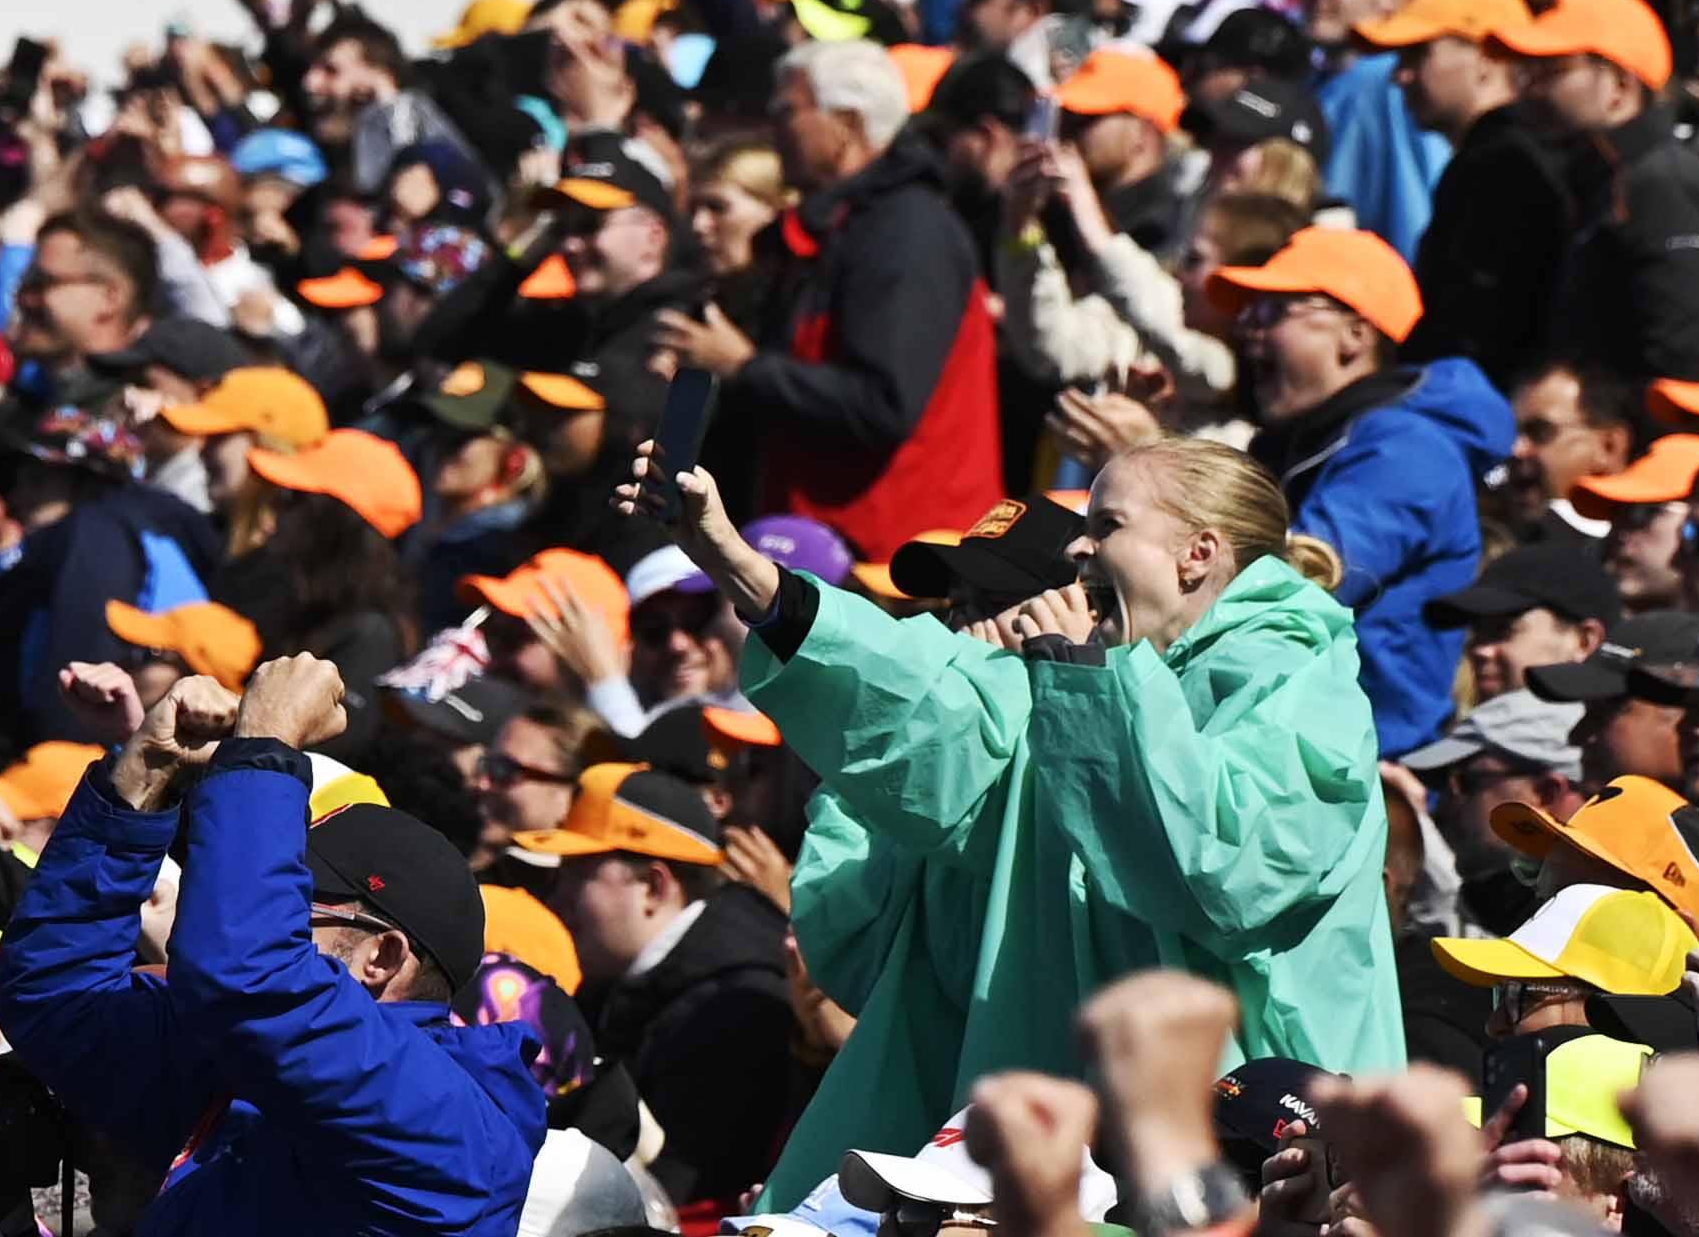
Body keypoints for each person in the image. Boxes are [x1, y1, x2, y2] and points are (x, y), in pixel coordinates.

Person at [634, 437, 1395, 1198]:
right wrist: (749, 573)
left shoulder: (1300, 678)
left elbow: (1218, 872)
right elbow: (925, 710)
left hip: (1256, 1161)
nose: (1078, 546)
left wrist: (1083, 681)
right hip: (1069, 1147)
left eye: (1107, 525)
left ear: (1196, 552)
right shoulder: (1082, 673)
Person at [0, 653, 542, 1236]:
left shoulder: (449, 1120)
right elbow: (58, 998)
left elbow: (245, 968)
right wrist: (149, 774)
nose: (222, 916)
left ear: (380, 958)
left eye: (288, 910)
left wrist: (267, 742)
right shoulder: (240, 1062)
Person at [1204, 224, 1530, 756]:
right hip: (1291, 747)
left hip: (1359, 770)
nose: (1249, 330)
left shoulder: (1406, 449)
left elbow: (1295, 585)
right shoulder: (1300, 444)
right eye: (1249, 312)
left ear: (1355, 335)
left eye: (1274, 311)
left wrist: (1157, 483)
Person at [670, 41, 1003, 559]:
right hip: (820, 551)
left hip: (895, 568)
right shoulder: (836, 228)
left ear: (847, 123)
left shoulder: (905, 231)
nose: (772, 126)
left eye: (787, 111)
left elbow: (882, 406)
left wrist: (744, 366)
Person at [507, 764, 808, 1212]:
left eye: (578, 874)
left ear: (652, 886)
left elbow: (673, 1197)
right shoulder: (639, 973)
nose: (557, 898)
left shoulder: (730, 1011)